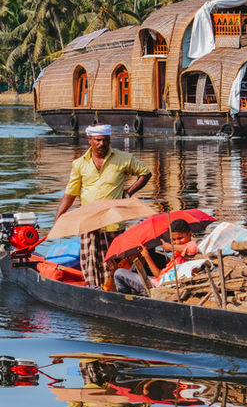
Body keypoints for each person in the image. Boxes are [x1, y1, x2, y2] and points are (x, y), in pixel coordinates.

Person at [55, 124, 152, 288]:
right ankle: (93, 290)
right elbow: (70, 194)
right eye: (98, 140)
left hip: (113, 222)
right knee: (92, 262)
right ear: (90, 141)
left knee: (114, 261)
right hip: (89, 222)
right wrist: (59, 218)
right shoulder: (79, 164)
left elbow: (145, 173)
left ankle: (114, 290)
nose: (102, 143)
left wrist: (128, 192)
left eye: (105, 140)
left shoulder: (123, 158)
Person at [112, 218, 198, 296]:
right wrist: (146, 255)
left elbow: (191, 248)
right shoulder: (176, 256)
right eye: (174, 240)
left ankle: (122, 300)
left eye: (180, 238)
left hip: (158, 287)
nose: (177, 242)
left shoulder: (190, 247)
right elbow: (158, 275)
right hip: (156, 283)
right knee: (125, 276)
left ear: (190, 234)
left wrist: (170, 247)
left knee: (119, 273)